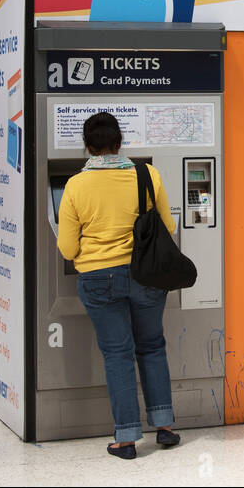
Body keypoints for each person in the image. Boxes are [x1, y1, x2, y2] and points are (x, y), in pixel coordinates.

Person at [56, 112, 180, 458]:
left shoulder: (76, 185)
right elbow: (167, 226)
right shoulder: (146, 174)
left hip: (99, 278)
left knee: (118, 354)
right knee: (152, 346)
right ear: (119, 142)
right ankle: (165, 426)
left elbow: (67, 248)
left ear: (87, 146)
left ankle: (126, 439)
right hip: (146, 275)